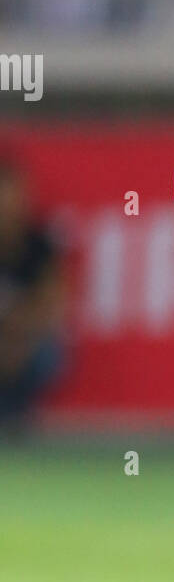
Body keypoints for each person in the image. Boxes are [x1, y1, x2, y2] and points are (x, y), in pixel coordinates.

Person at [0, 160, 67, 432]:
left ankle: (15, 416)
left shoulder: (38, 244)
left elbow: (53, 302)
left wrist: (17, 339)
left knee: (48, 353)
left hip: (22, 340)